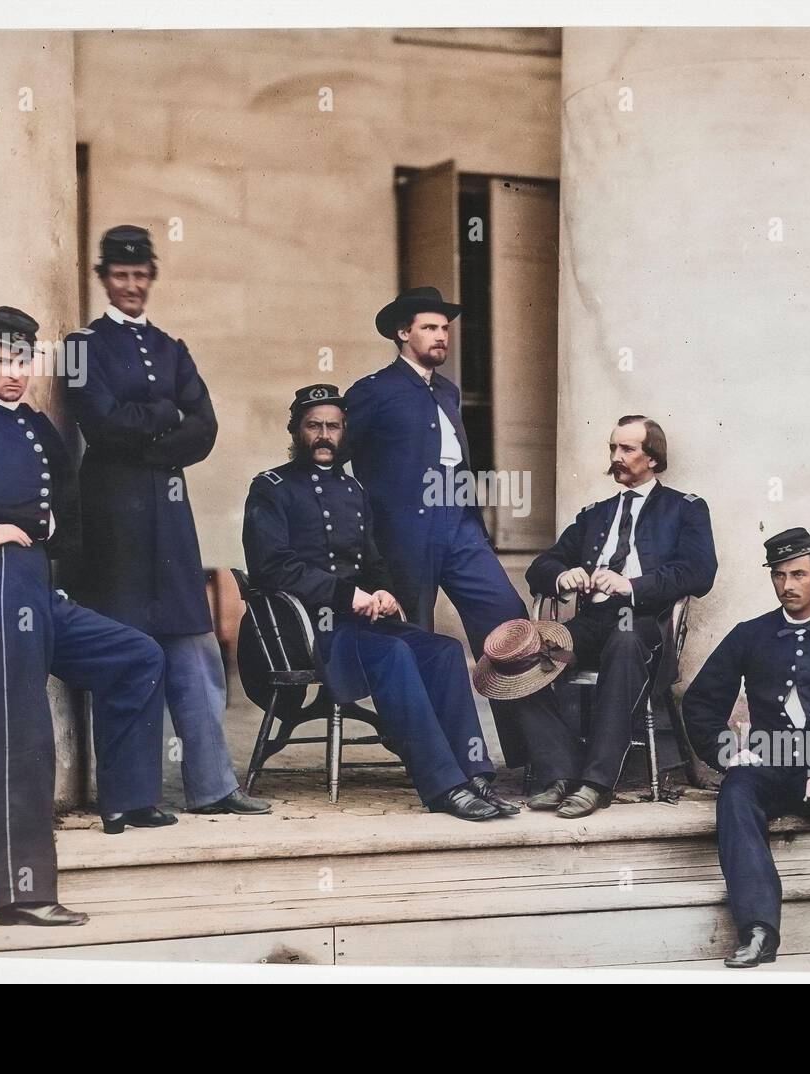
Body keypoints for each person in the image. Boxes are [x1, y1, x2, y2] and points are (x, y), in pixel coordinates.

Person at [0, 306, 173, 928]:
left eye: (24, 360)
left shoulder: (39, 426)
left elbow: (69, 504)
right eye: (1, 359)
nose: (14, 372)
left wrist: (60, 566)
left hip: (41, 586)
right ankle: (22, 893)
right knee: (20, 729)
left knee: (137, 656)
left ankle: (126, 801)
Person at [242, 384, 520, 821]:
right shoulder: (272, 488)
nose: (324, 435)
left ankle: (475, 774)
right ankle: (444, 786)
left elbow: (373, 562)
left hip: (361, 624)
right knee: (394, 652)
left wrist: (385, 591)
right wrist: (346, 594)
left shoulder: (354, 491)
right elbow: (271, 566)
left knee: (444, 652)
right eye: (313, 425)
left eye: (333, 427)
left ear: (344, 432)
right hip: (310, 630)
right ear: (295, 430)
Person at [65, 226, 268, 816]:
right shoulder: (82, 346)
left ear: (151, 279)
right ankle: (134, 797)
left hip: (171, 523)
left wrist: (149, 438)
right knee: (130, 654)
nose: (131, 286)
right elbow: (98, 424)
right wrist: (163, 416)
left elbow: (203, 426)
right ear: (104, 278)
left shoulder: (172, 347)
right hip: (113, 525)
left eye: (141, 276)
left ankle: (214, 786)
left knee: (196, 653)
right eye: (121, 276)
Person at [683, 528, 810, 968]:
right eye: (779, 576)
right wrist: (728, 751)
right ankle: (758, 931)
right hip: (770, 766)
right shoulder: (749, 635)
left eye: (798, 574)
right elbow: (700, 700)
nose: (788, 586)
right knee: (736, 792)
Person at [493, 415, 716, 818]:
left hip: (642, 620)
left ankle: (596, 782)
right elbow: (541, 566)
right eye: (613, 448)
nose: (616, 457)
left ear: (653, 458)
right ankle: (560, 770)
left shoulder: (685, 509)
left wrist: (631, 584)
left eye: (627, 449)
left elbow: (699, 573)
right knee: (514, 660)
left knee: (626, 640)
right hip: (590, 622)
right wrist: (563, 574)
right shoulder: (595, 515)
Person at [343, 287, 529, 768]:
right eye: (429, 327)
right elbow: (334, 457)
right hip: (402, 533)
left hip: (460, 524)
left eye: (445, 327)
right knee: (417, 638)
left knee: (508, 621)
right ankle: (436, 762)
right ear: (403, 334)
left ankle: (530, 758)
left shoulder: (448, 390)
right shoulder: (373, 390)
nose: (441, 335)